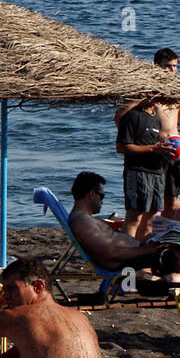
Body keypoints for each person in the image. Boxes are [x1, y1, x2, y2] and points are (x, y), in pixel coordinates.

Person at [115, 49, 180, 220]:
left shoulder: (176, 92)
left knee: (172, 202)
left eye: (175, 67)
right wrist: (137, 142)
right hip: (153, 151)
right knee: (149, 207)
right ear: (156, 66)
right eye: (167, 66)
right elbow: (121, 116)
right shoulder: (147, 91)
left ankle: (166, 239)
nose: (172, 71)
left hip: (174, 150)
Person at [67, 171, 168, 272]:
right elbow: (108, 252)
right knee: (173, 255)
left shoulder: (84, 218)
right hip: (128, 263)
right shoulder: (82, 221)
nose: (102, 201)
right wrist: (144, 250)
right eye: (102, 196)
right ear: (91, 194)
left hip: (135, 255)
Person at [116, 95, 171, 239]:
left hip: (157, 171)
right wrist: (152, 149)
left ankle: (139, 249)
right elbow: (122, 146)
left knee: (152, 216)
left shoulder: (157, 117)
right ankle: (127, 251)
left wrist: (164, 150)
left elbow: (156, 143)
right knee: (134, 216)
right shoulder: (133, 116)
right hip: (137, 170)